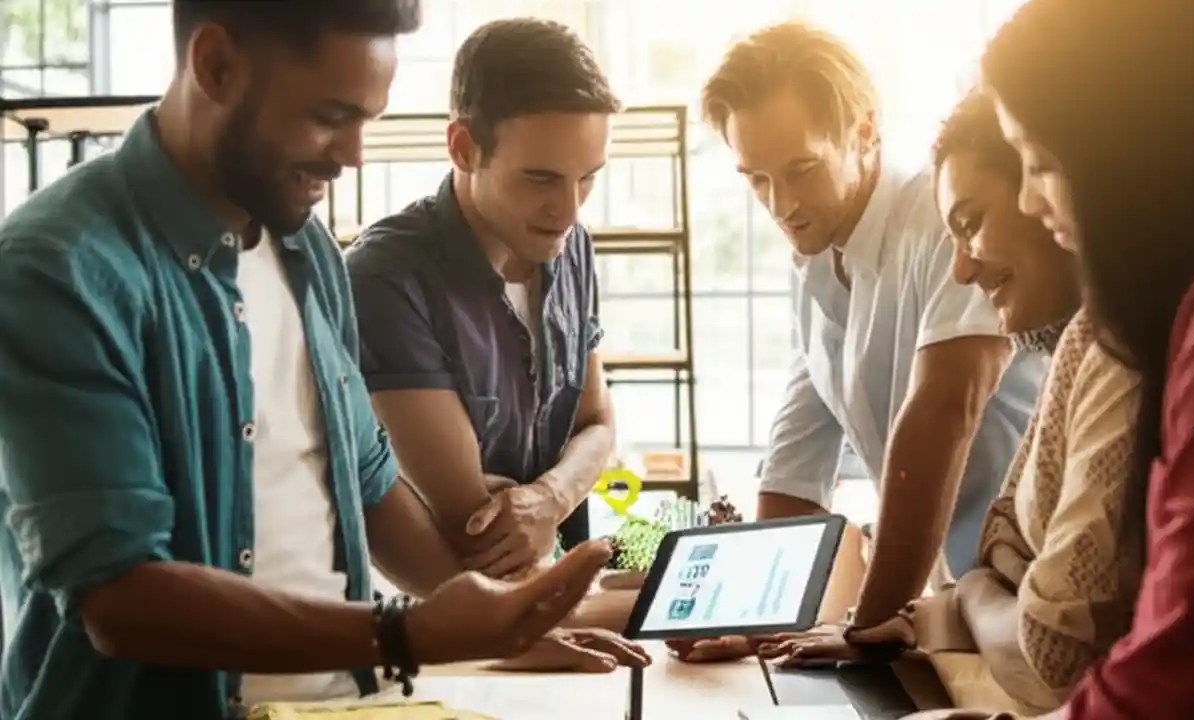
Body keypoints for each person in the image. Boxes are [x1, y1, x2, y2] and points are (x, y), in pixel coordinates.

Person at [0, 3, 647, 719]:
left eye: (367, 119)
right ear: (215, 65)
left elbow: (368, 485)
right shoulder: (59, 269)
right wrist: (405, 635)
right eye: (330, 115)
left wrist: (506, 629)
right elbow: (119, 599)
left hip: (345, 702)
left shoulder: (305, 249)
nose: (353, 156)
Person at [904, 1, 1194, 718]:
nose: (1033, 200)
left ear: (1127, 154)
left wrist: (977, 598)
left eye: (1041, 163)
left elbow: (1182, 670)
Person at [761, 91, 1144, 716]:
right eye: (756, 179)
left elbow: (1052, 650)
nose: (962, 269)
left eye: (970, 224)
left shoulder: (1121, 346)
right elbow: (1002, 539)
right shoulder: (1076, 341)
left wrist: (969, 592)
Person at [672, 22, 1043, 663]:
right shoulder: (816, 262)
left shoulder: (941, 214)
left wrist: (864, 624)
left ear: (865, 131)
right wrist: (751, 618)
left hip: (1029, 592)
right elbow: (796, 459)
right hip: (953, 610)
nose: (781, 204)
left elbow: (944, 412)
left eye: (801, 169)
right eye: (756, 179)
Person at [346, 18, 619, 586]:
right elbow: (474, 527)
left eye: (587, 179)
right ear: (464, 148)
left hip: (551, 593)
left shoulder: (573, 248)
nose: (568, 212)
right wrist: (565, 486)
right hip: (447, 620)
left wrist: (548, 497)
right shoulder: (387, 278)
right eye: (541, 180)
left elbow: (598, 422)